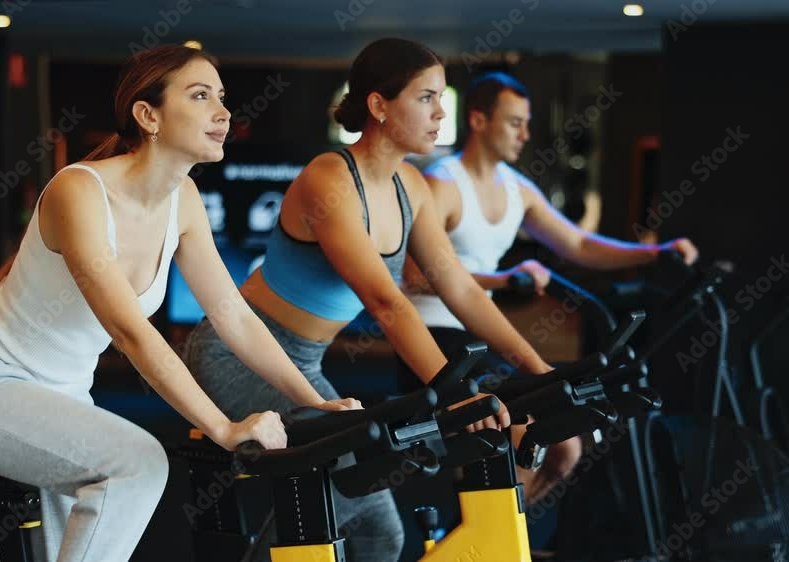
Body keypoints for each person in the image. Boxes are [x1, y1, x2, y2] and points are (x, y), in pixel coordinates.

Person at [0, 45, 358, 562]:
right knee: (139, 463)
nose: (223, 111)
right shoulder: (78, 192)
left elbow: (233, 314)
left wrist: (314, 402)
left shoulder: (184, 201)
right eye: (200, 96)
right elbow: (130, 332)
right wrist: (223, 427)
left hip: (63, 398)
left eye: (222, 97)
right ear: (148, 115)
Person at [183, 38, 558, 562]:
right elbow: (386, 302)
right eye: (426, 97)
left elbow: (460, 288)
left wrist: (540, 371)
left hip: (303, 363)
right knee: (338, 497)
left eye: (441, 98)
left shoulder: (412, 186)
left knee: (383, 533)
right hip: (237, 353)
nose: (440, 112)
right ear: (379, 106)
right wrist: (454, 392)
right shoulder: (329, 178)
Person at [401, 71, 698, 506]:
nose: (525, 133)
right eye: (513, 122)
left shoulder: (516, 188)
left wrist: (654, 252)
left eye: (526, 122)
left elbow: (578, 244)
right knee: (522, 441)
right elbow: (414, 276)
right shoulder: (444, 183)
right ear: (479, 121)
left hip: (480, 335)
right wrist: (501, 281)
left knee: (565, 448)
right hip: (432, 339)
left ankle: (495, 540)